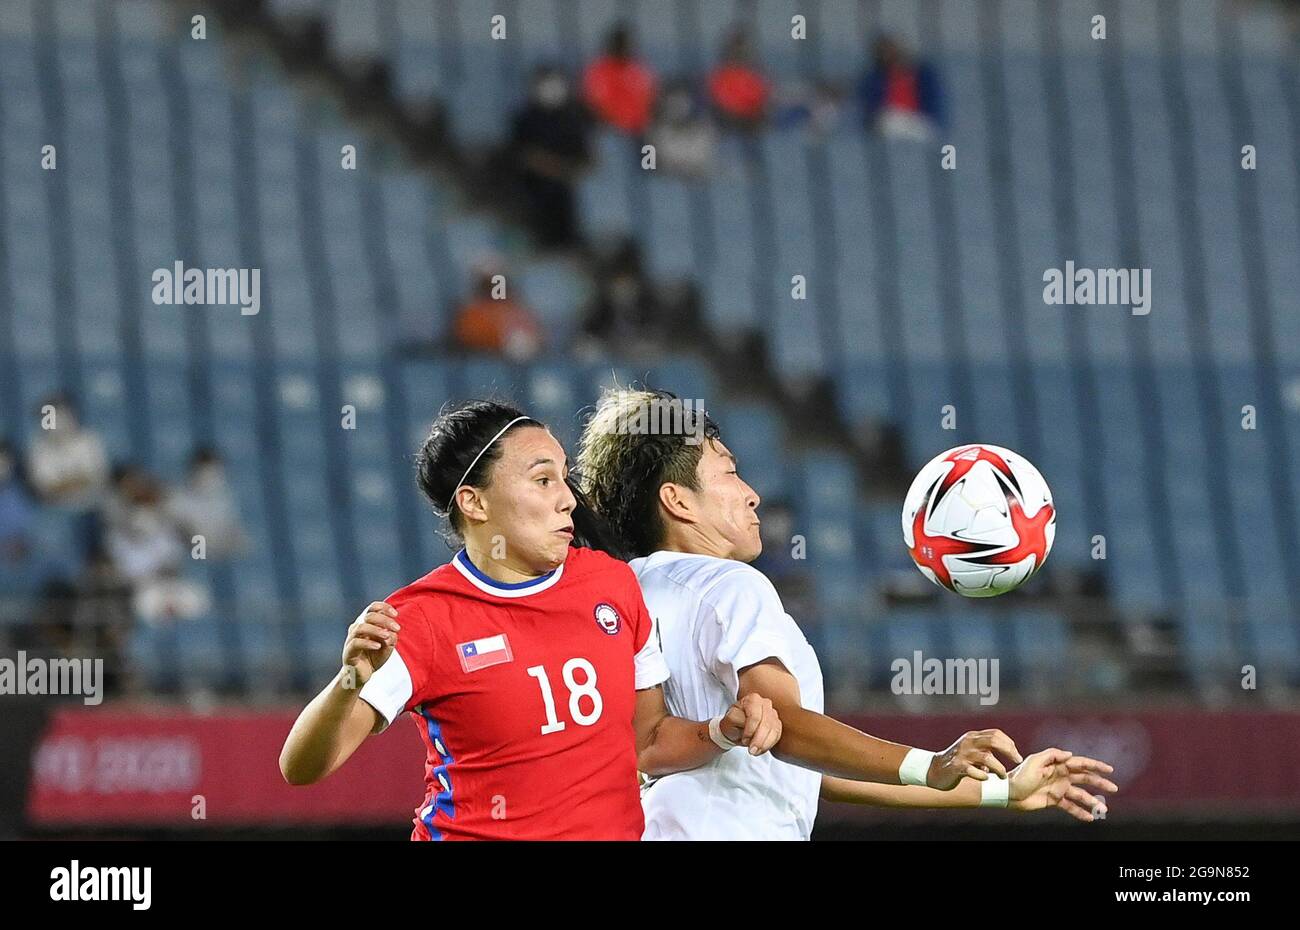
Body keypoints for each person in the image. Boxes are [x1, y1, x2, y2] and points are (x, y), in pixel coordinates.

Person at [576, 389, 1118, 840]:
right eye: (729, 472)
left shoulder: (621, 593)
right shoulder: (729, 584)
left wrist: (998, 790)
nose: (752, 495)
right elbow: (787, 728)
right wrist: (932, 763)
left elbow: (798, 766)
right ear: (678, 501)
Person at [278, 400, 782, 840]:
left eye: (564, 477)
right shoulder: (424, 618)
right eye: (542, 479)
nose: (567, 497)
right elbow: (300, 768)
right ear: (474, 502)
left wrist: (719, 730)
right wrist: (349, 681)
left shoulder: (612, 587)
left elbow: (645, 740)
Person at [507, 66, 592, 249]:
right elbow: (522, 155)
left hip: (565, 183)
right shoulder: (525, 118)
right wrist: (554, 168)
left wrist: (570, 170)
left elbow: (587, 158)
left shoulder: (573, 119)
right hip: (533, 185)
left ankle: (568, 245)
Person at [167, 447, 248, 561]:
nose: (210, 478)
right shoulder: (177, 498)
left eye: (214, 473)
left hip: (216, 554)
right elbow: (193, 545)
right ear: (194, 471)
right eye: (205, 472)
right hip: (191, 559)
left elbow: (239, 543)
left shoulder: (225, 498)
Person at [451, 262, 544, 360]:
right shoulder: (472, 313)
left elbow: (536, 337)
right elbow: (468, 337)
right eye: (491, 283)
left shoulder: (516, 310)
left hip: (519, 364)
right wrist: (501, 340)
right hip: (484, 363)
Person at [858, 35, 944, 141]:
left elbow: (933, 100)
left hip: (919, 121)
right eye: (883, 53)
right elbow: (869, 104)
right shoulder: (875, 78)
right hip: (889, 120)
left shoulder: (923, 74)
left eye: (890, 52)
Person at [582, 24, 657, 136]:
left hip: (641, 129)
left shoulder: (638, 69)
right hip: (611, 131)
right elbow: (595, 104)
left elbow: (651, 97)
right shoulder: (599, 71)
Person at [707, 29, 769, 129]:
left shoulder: (754, 75)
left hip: (751, 121)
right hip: (731, 121)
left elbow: (763, 98)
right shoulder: (721, 77)